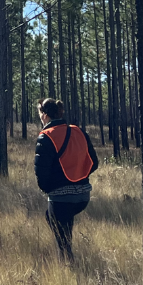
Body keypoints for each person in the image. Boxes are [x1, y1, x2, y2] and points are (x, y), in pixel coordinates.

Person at [34, 98, 99, 262]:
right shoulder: (78, 131)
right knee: (63, 223)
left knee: (60, 235)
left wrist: (50, 188)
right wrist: (79, 177)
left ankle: (68, 266)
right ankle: (68, 262)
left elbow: (41, 174)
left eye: (40, 114)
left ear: (45, 115)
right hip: (83, 196)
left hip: (60, 197)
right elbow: (94, 163)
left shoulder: (46, 137)